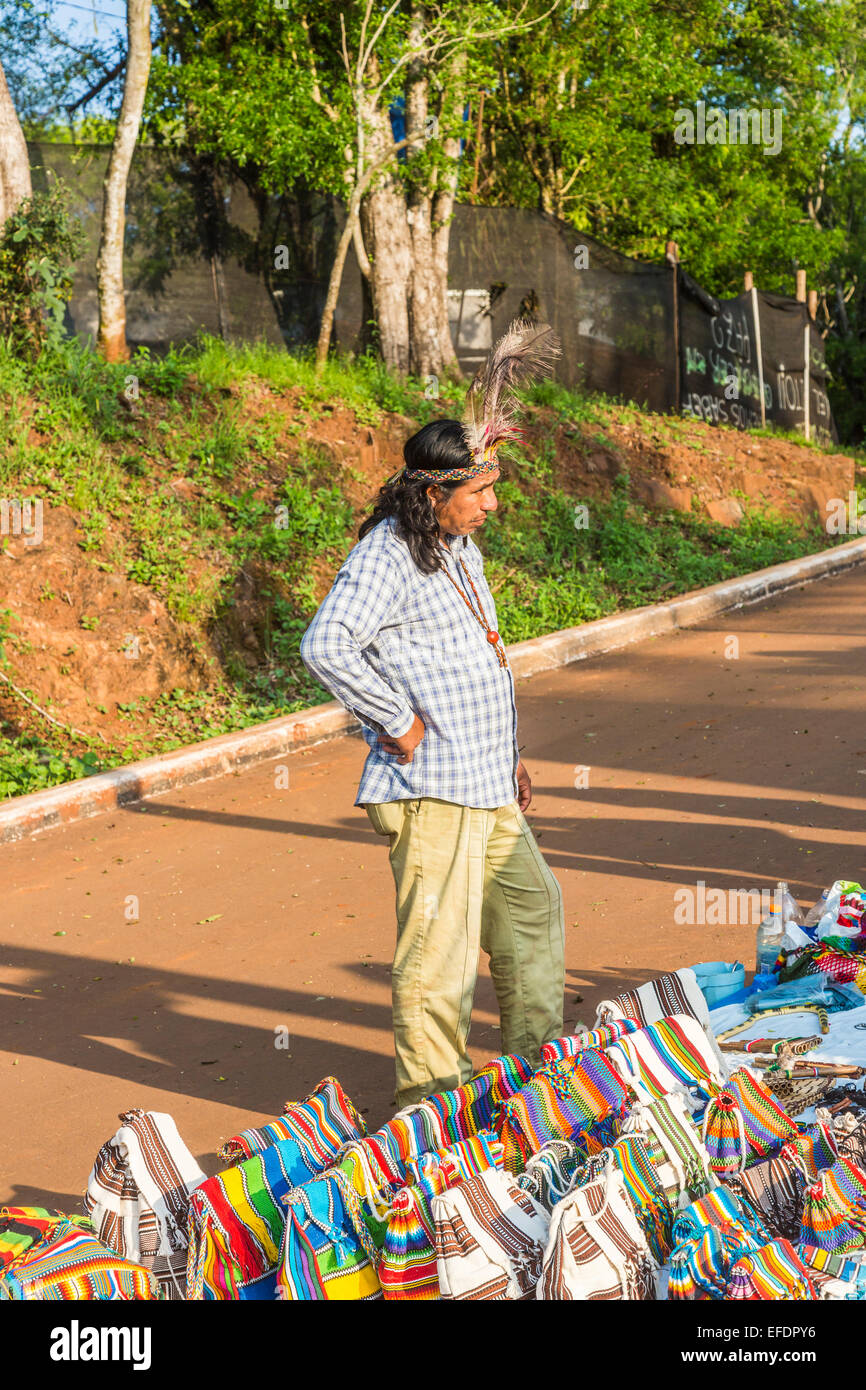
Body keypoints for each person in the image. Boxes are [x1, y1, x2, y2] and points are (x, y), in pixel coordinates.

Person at [300, 320, 565, 1107]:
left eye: (492, 488)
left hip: (483, 781)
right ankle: (431, 1112)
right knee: (439, 956)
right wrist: (395, 720)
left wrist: (508, 753)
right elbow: (326, 643)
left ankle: (539, 1077)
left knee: (532, 911)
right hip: (431, 788)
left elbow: (479, 656)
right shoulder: (387, 550)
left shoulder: (458, 547)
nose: (491, 503)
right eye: (478, 491)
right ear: (431, 491)